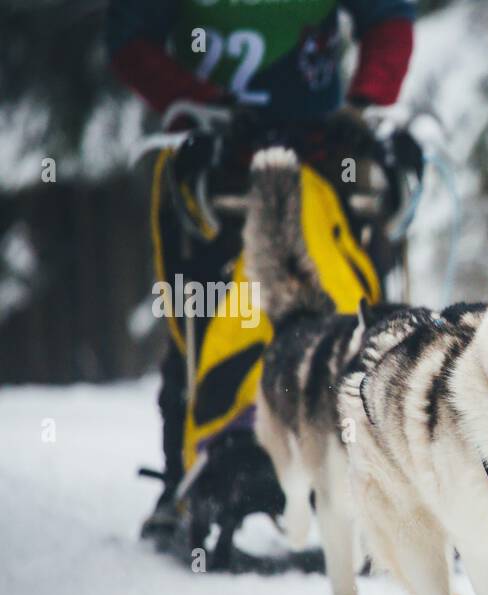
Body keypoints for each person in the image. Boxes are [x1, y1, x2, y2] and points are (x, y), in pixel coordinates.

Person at [106, 0, 416, 557]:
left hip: (324, 148)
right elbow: (132, 41)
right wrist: (203, 104)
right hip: (211, 148)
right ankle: (188, 467)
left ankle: (377, 450)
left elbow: (387, 20)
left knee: (351, 292)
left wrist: (363, 102)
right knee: (199, 305)